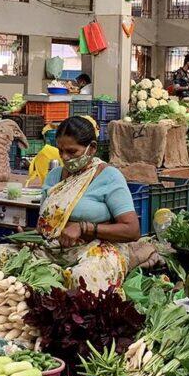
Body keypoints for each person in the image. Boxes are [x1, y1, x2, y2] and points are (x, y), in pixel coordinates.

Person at [36, 116, 141, 289]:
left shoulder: (109, 176)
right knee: (1, 254)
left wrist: (84, 228)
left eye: (72, 151)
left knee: (82, 278)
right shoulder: (53, 176)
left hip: (97, 248)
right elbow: (47, 222)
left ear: (91, 148)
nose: (65, 157)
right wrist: (34, 232)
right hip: (54, 249)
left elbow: (132, 230)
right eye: (60, 151)